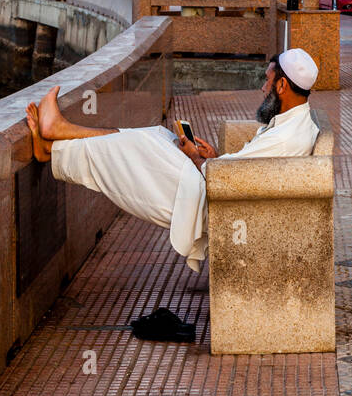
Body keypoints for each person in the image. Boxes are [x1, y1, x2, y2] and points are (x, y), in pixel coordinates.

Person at [24, 49, 321, 269]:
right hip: (225, 194)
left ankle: (55, 141)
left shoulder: (285, 136)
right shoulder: (293, 123)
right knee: (153, 137)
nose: (263, 88)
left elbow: (234, 179)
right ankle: (55, 141)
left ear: (282, 86)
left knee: (142, 144)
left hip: (219, 205)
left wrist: (197, 160)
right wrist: (213, 157)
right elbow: (248, 171)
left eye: (268, 82)